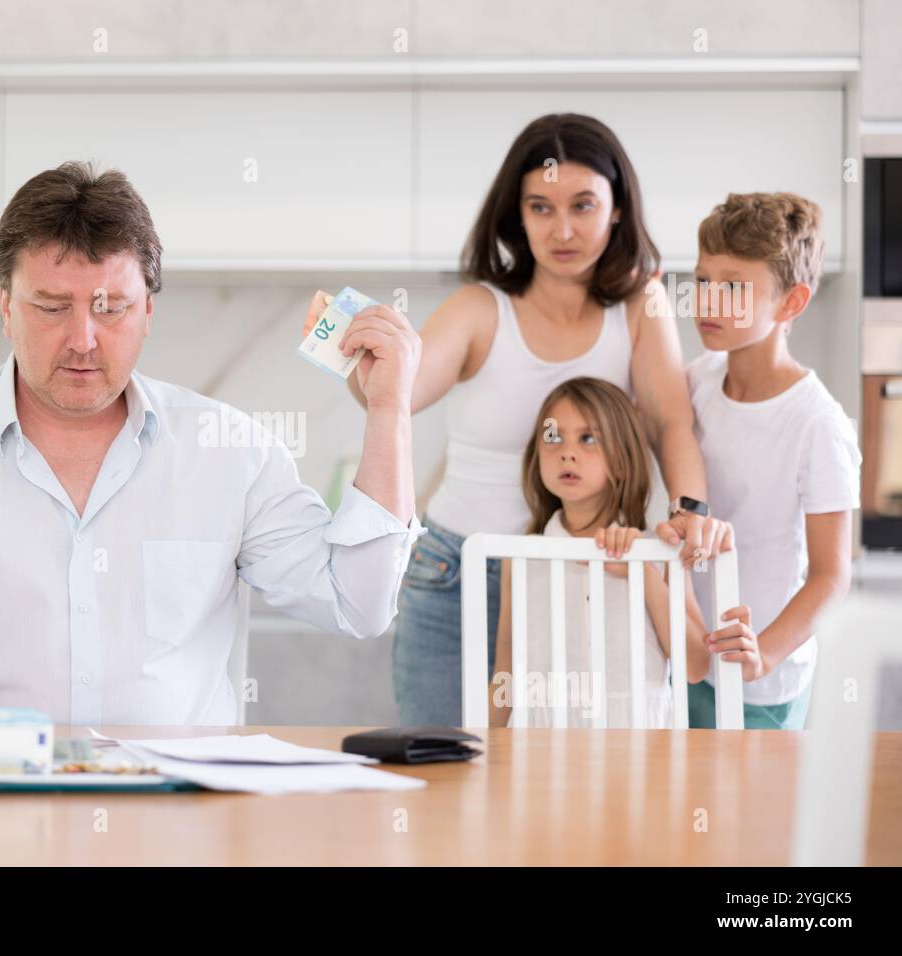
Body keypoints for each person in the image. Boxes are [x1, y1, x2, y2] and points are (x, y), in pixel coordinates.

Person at [0, 161, 424, 751]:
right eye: (51, 307)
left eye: (111, 308)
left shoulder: (231, 453)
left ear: (148, 312)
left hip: (181, 820)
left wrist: (389, 412)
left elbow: (357, 605)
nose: (82, 339)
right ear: (6, 310)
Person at [364, 113, 727, 726]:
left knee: (554, 785)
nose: (563, 230)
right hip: (458, 569)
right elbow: (399, 392)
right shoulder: (479, 309)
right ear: (517, 216)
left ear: (616, 209)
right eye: (540, 207)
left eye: (583, 205)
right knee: (442, 773)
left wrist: (688, 513)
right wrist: (363, 358)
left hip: (583, 566)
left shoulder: (642, 306)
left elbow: (671, 424)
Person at [684, 192, 860, 730]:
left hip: (765, 683)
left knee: (754, 814)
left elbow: (832, 575)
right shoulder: (697, 381)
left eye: (733, 287)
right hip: (691, 661)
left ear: (791, 303)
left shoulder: (818, 424)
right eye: (702, 281)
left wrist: (765, 653)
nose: (709, 302)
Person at [489, 377, 714, 729]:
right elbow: (505, 671)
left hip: (638, 754)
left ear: (622, 461)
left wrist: (640, 573)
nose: (567, 451)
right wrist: (484, 756)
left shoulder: (659, 550)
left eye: (588, 438)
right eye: (552, 437)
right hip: (541, 750)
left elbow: (697, 665)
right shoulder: (521, 557)